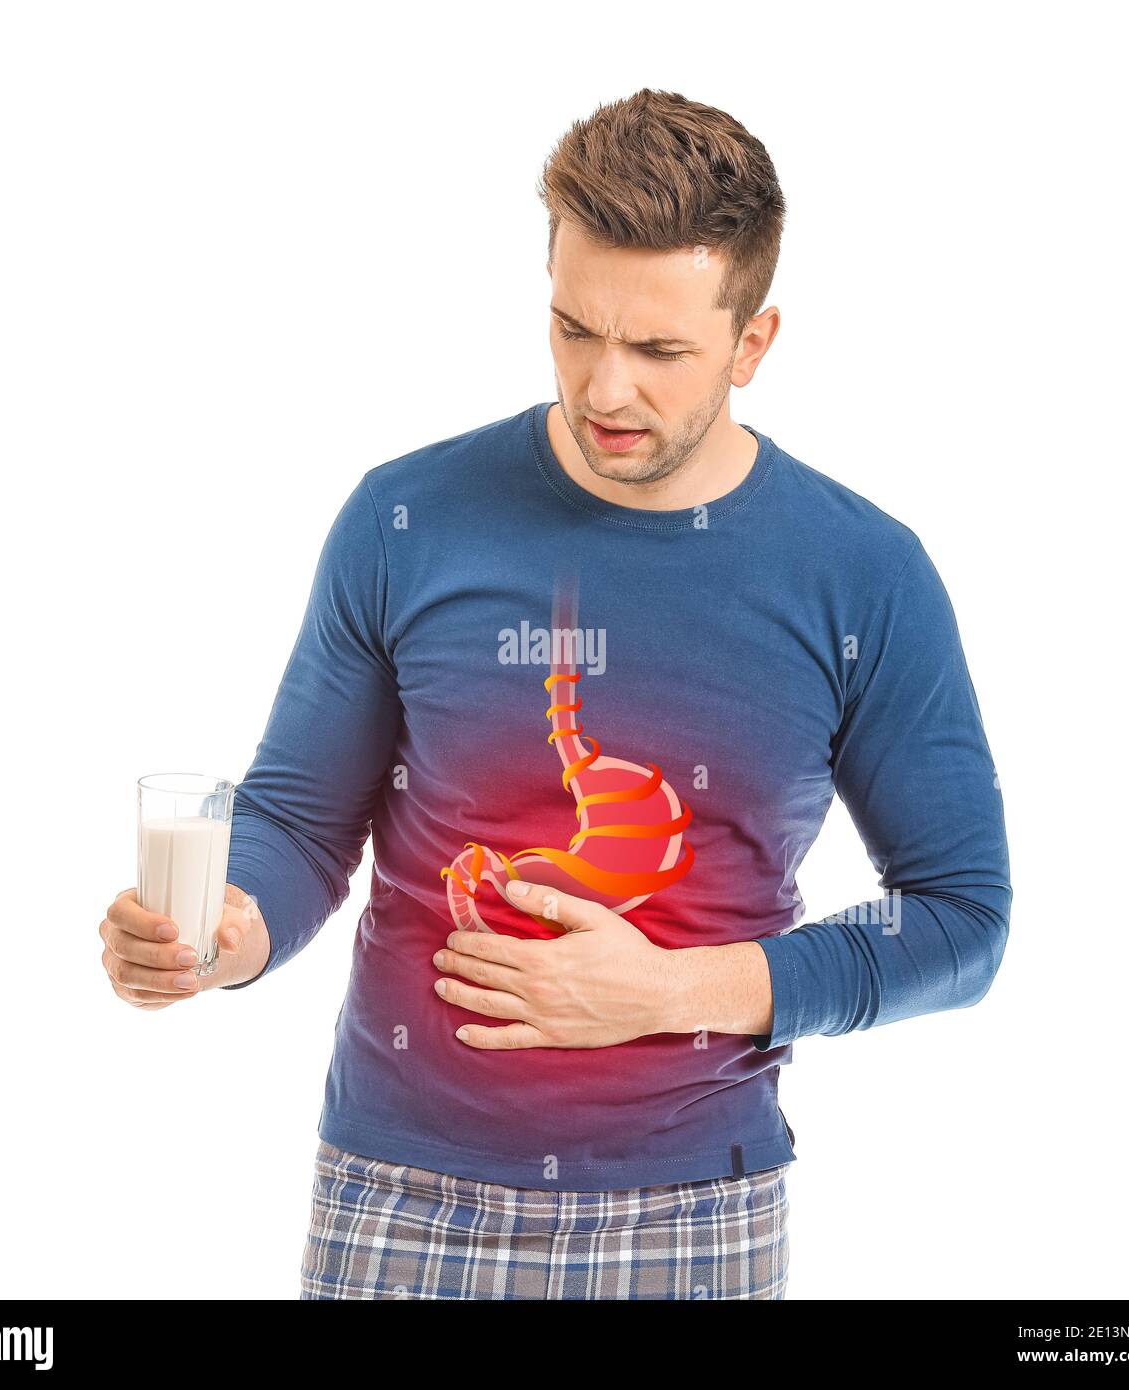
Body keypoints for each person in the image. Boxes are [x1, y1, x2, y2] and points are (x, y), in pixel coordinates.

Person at [99, 88, 1011, 1300]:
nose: (604, 391)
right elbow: (305, 822)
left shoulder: (863, 573)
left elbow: (959, 917)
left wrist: (679, 989)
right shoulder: (402, 518)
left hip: (694, 1208)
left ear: (754, 341)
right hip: (396, 1193)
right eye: (574, 328)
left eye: (658, 350)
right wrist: (227, 933)